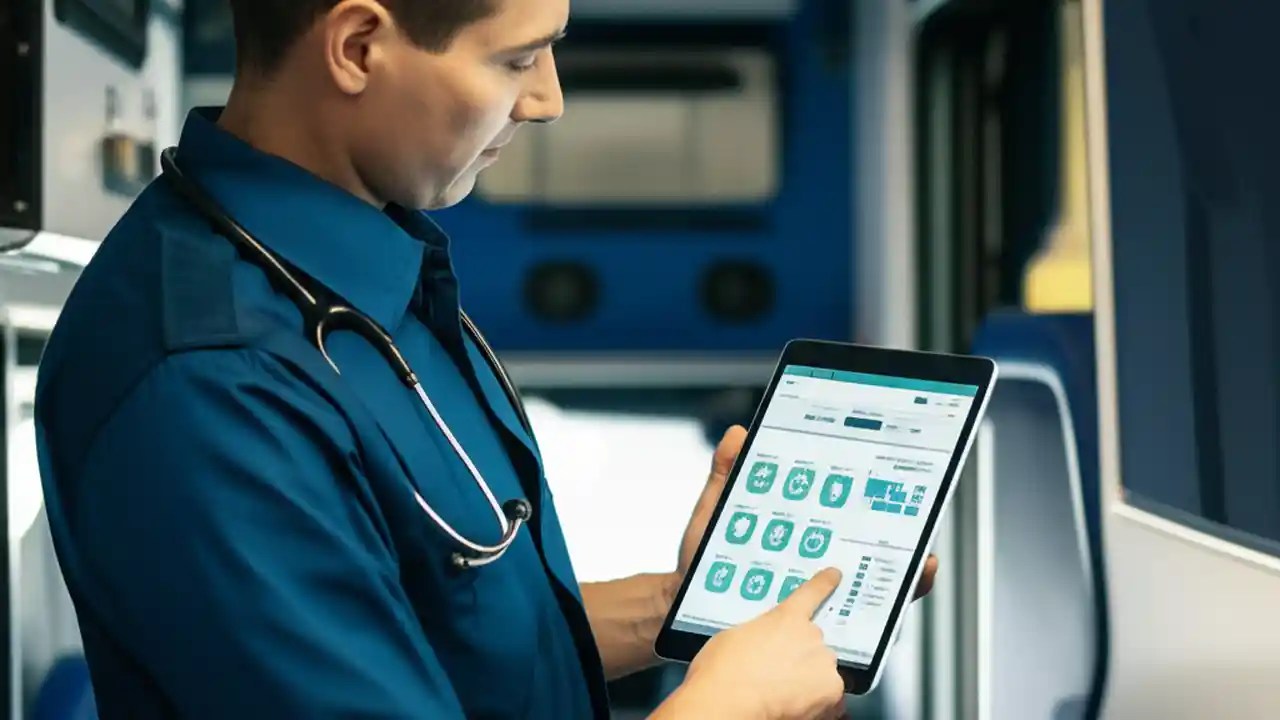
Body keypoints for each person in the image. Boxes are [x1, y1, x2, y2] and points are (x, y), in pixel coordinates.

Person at [33, 0, 939, 717]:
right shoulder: (209, 381)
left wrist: (693, 606)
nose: (548, 98)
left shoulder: (375, 273)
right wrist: (726, 709)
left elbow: (441, 621)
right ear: (356, 47)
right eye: (516, 59)